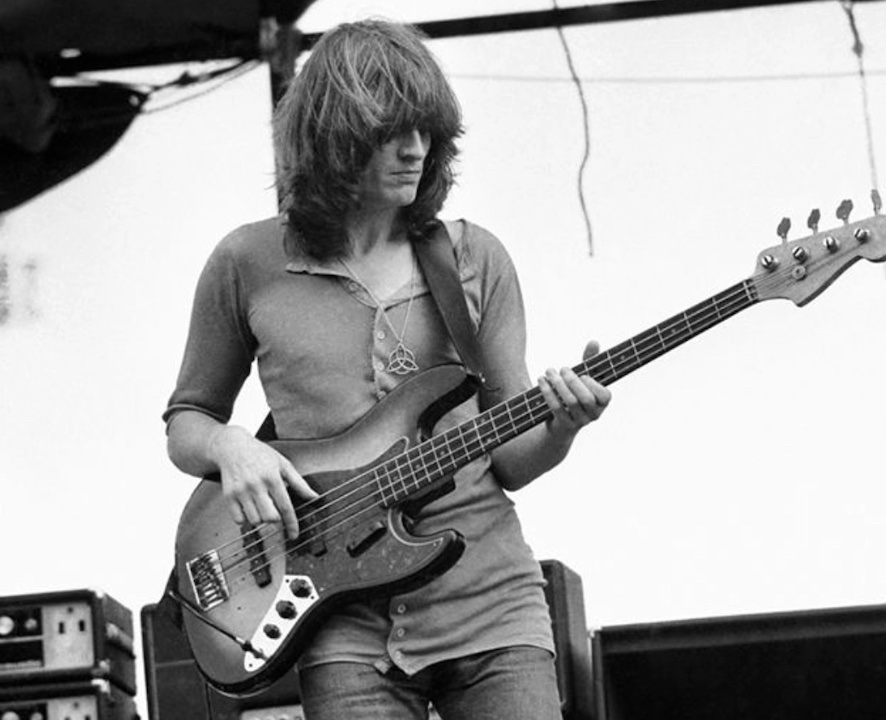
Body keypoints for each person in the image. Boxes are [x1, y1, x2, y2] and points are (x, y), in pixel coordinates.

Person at [163, 19, 610, 720]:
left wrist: (563, 428)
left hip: (491, 602)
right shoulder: (246, 262)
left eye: (427, 131)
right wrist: (230, 446)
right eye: (391, 132)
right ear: (332, 137)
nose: (416, 149)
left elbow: (512, 461)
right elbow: (187, 422)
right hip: (341, 618)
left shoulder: (474, 259)